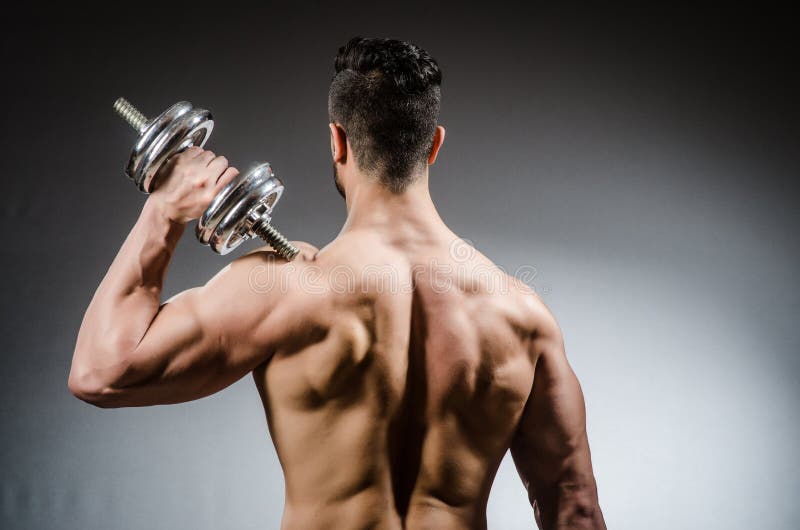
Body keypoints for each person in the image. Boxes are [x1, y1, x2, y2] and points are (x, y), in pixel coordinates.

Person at [69, 37, 606, 530]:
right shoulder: (521, 313)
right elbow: (574, 509)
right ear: (434, 144)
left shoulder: (283, 288)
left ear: (338, 142)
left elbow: (101, 373)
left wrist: (165, 210)